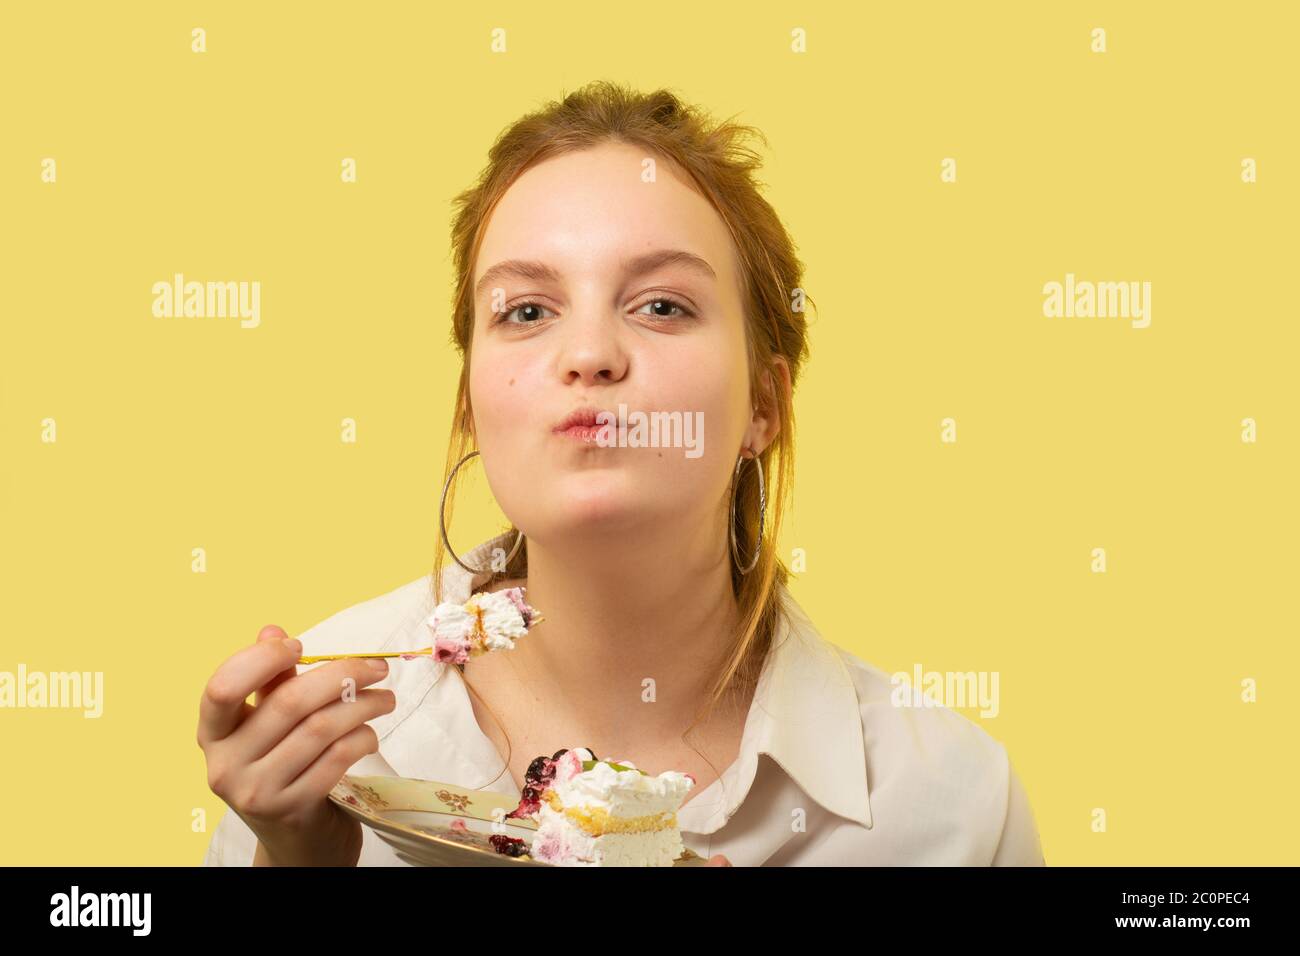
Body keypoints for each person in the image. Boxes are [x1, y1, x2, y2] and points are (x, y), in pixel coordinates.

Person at [198, 80, 1045, 867]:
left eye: (662, 306)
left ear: (763, 405)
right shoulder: (322, 748)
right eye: (527, 310)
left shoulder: (951, 805)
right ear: (469, 406)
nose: (591, 354)